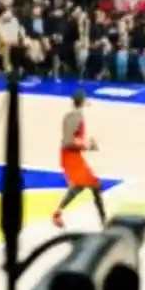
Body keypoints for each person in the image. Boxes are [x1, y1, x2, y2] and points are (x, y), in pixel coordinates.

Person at [52, 88, 106, 228]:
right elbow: (69, 141)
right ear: (82, 101)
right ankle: (104, 221)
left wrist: (86, 145)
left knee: (81, 186)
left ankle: (57, 213)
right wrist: (88, 146)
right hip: (70, 156)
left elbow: (72, 139)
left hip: (71, 155)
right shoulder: (76, 117)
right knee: (94, 185)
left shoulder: (72, 115)